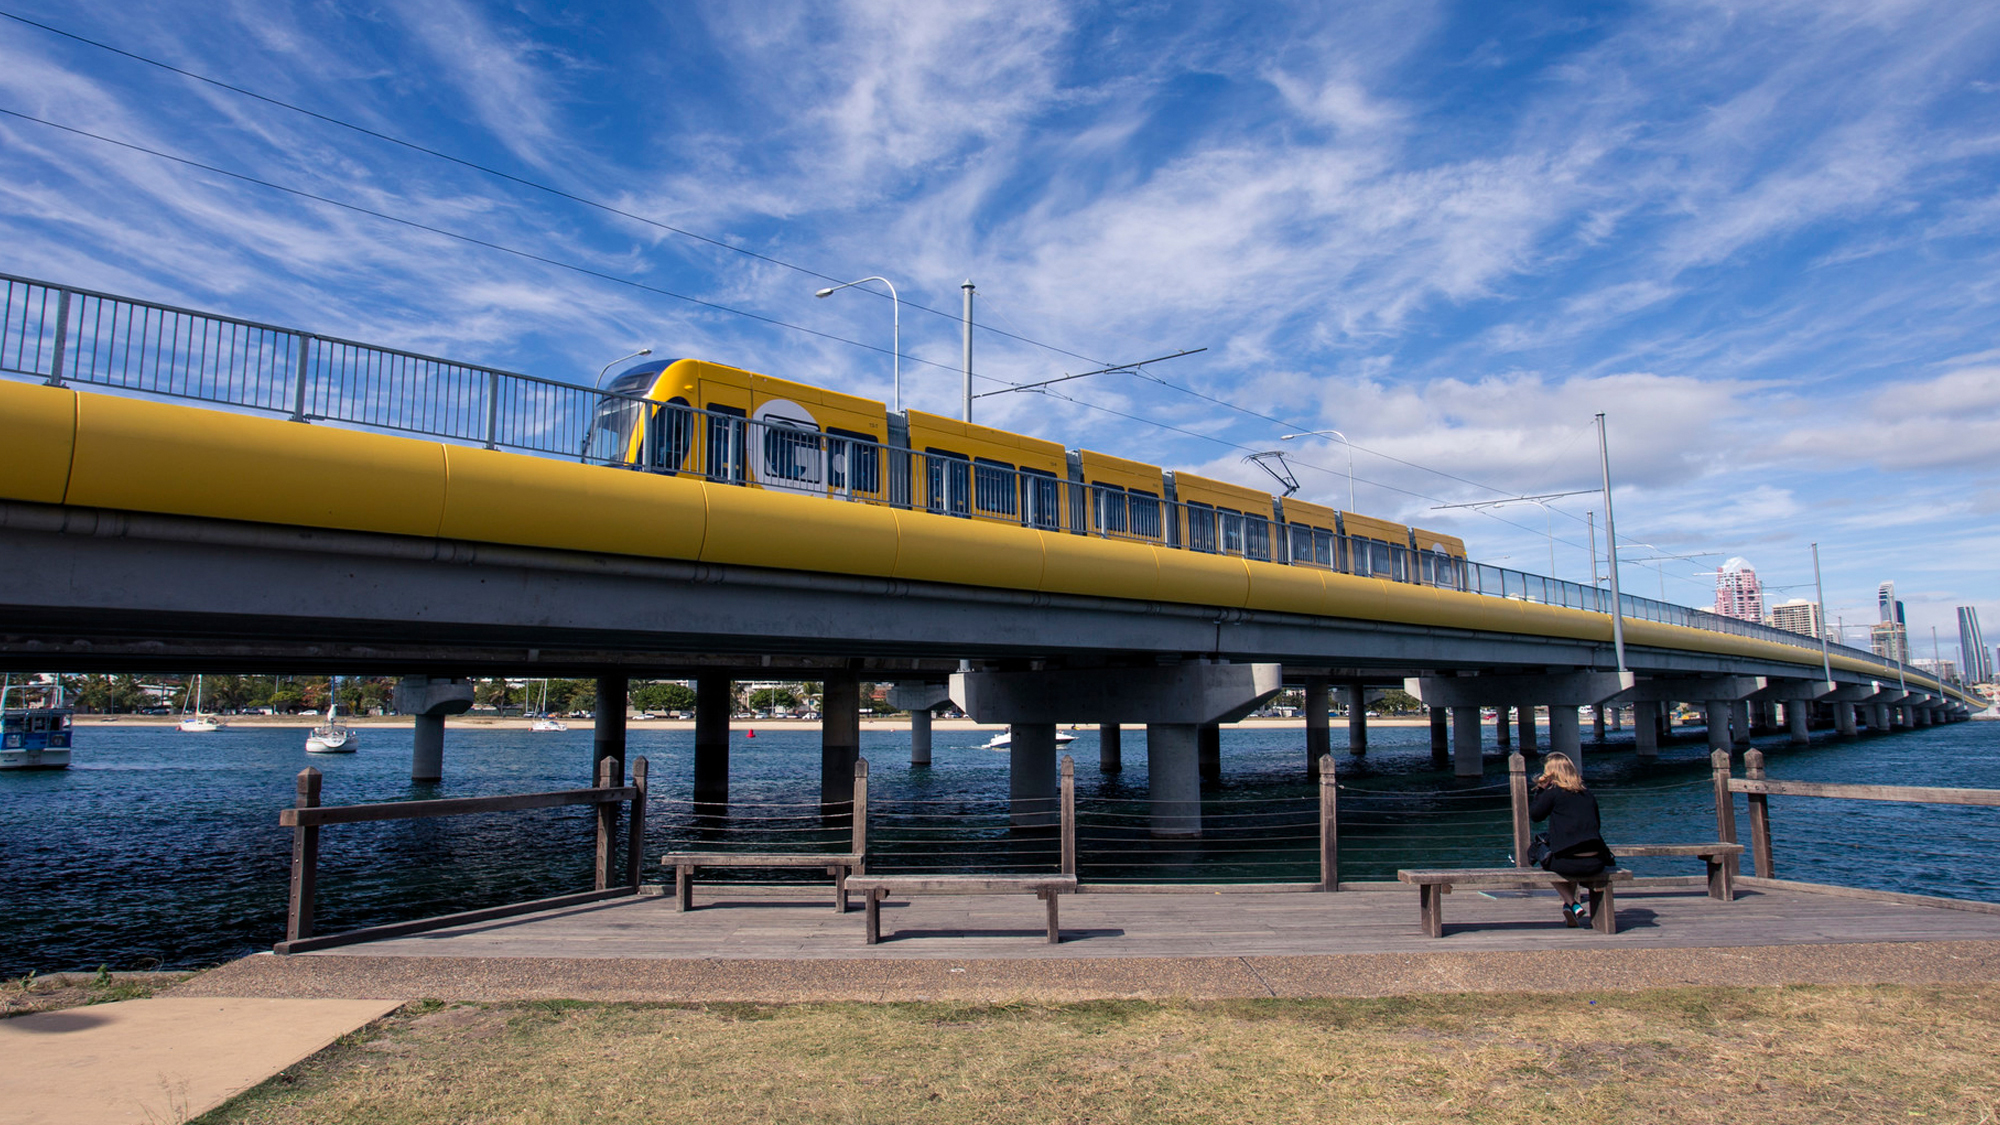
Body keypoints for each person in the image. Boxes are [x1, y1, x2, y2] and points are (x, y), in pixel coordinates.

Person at [1528, 753, 1615, 928]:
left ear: (1551, 774)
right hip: (1595, 861)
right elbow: (1597, 823)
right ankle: (1569, 908)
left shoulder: (1553, 792)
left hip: (1569, 862)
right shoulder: (1586, 793)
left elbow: (1535, 816)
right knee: (1567, 849)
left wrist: (1541, 790)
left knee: (1540, 853)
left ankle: (1572, 902)